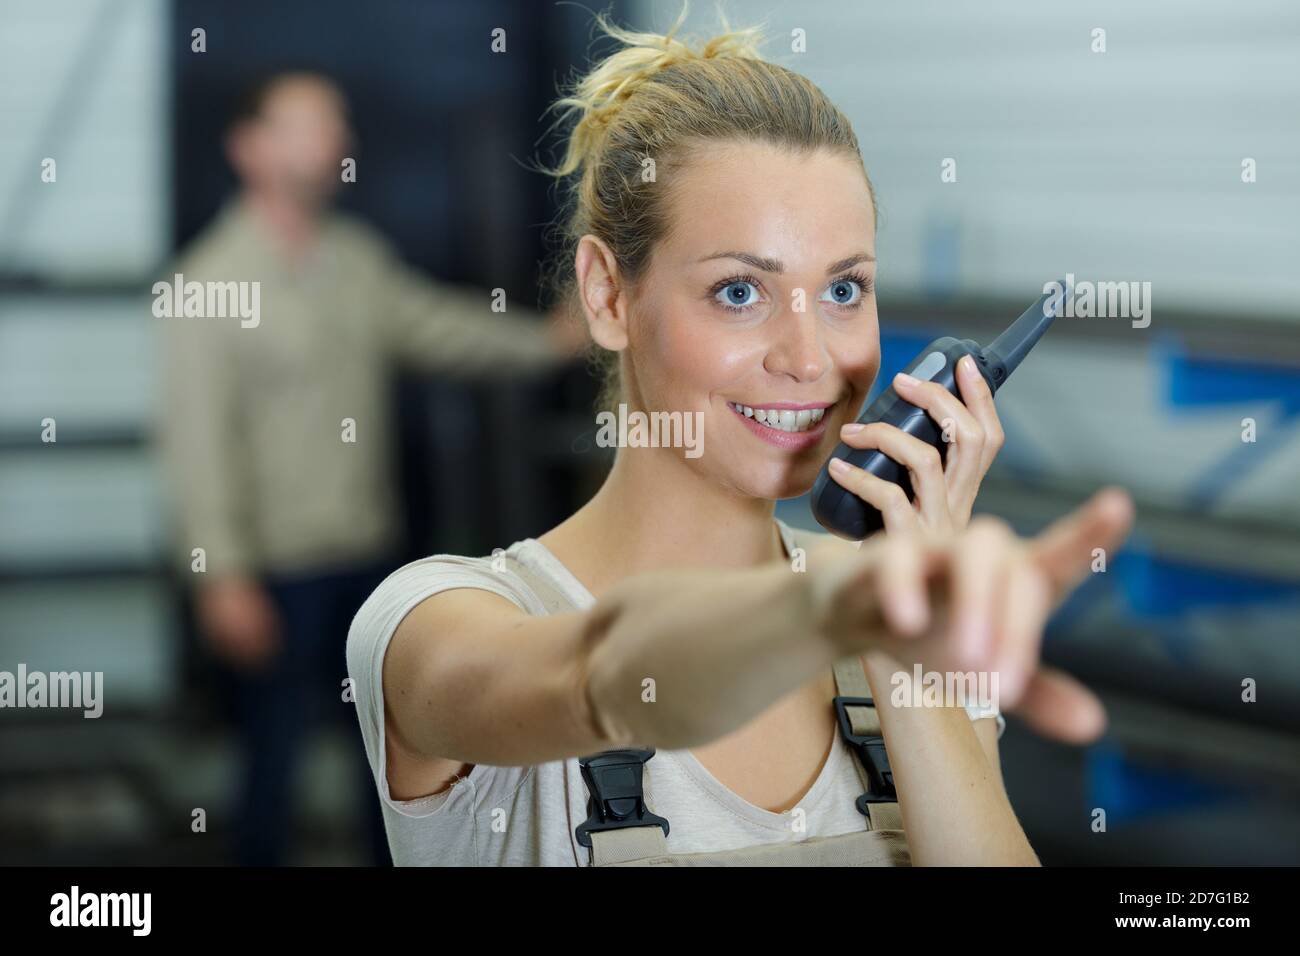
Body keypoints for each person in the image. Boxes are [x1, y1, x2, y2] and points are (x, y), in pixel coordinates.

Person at [346, 16, 1135, 866]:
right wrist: (835, 611)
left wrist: (900, 650)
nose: (809, 359)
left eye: (843, 289)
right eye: (738, 291)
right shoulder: (431, 620)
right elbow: (596, 677)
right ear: (607, 296)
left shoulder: (900, 611)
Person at [158, 72, 577, 866]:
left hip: (369, 558)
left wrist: (549, 342)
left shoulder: (354, 263)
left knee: (389, 767)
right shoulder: (205, 285)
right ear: (250, 148)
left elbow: (438, 328)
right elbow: (197, 447)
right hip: (275, 571)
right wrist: (221, 576)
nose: (336, 141)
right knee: (272, 761)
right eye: (311, 125)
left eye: (336, 124)